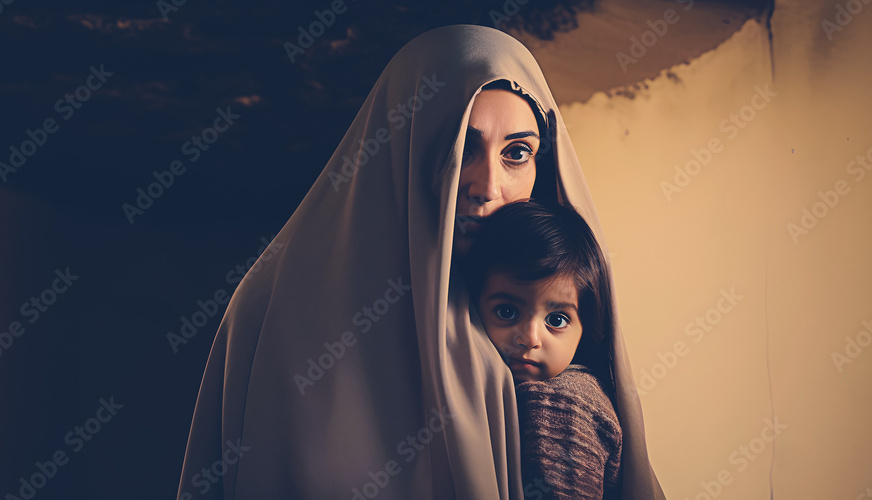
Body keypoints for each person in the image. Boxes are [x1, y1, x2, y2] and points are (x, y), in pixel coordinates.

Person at [177, 24, 665, 500]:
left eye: (517, 153)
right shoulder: (272, 311)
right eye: (459, 147)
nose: (487, 187)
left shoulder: (546, 345)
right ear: (400, 145)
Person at [463, 200, 623, 499]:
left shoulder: (561, 403)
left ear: (586, 328)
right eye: (507, 312)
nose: (530, 338)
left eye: (557, 320)